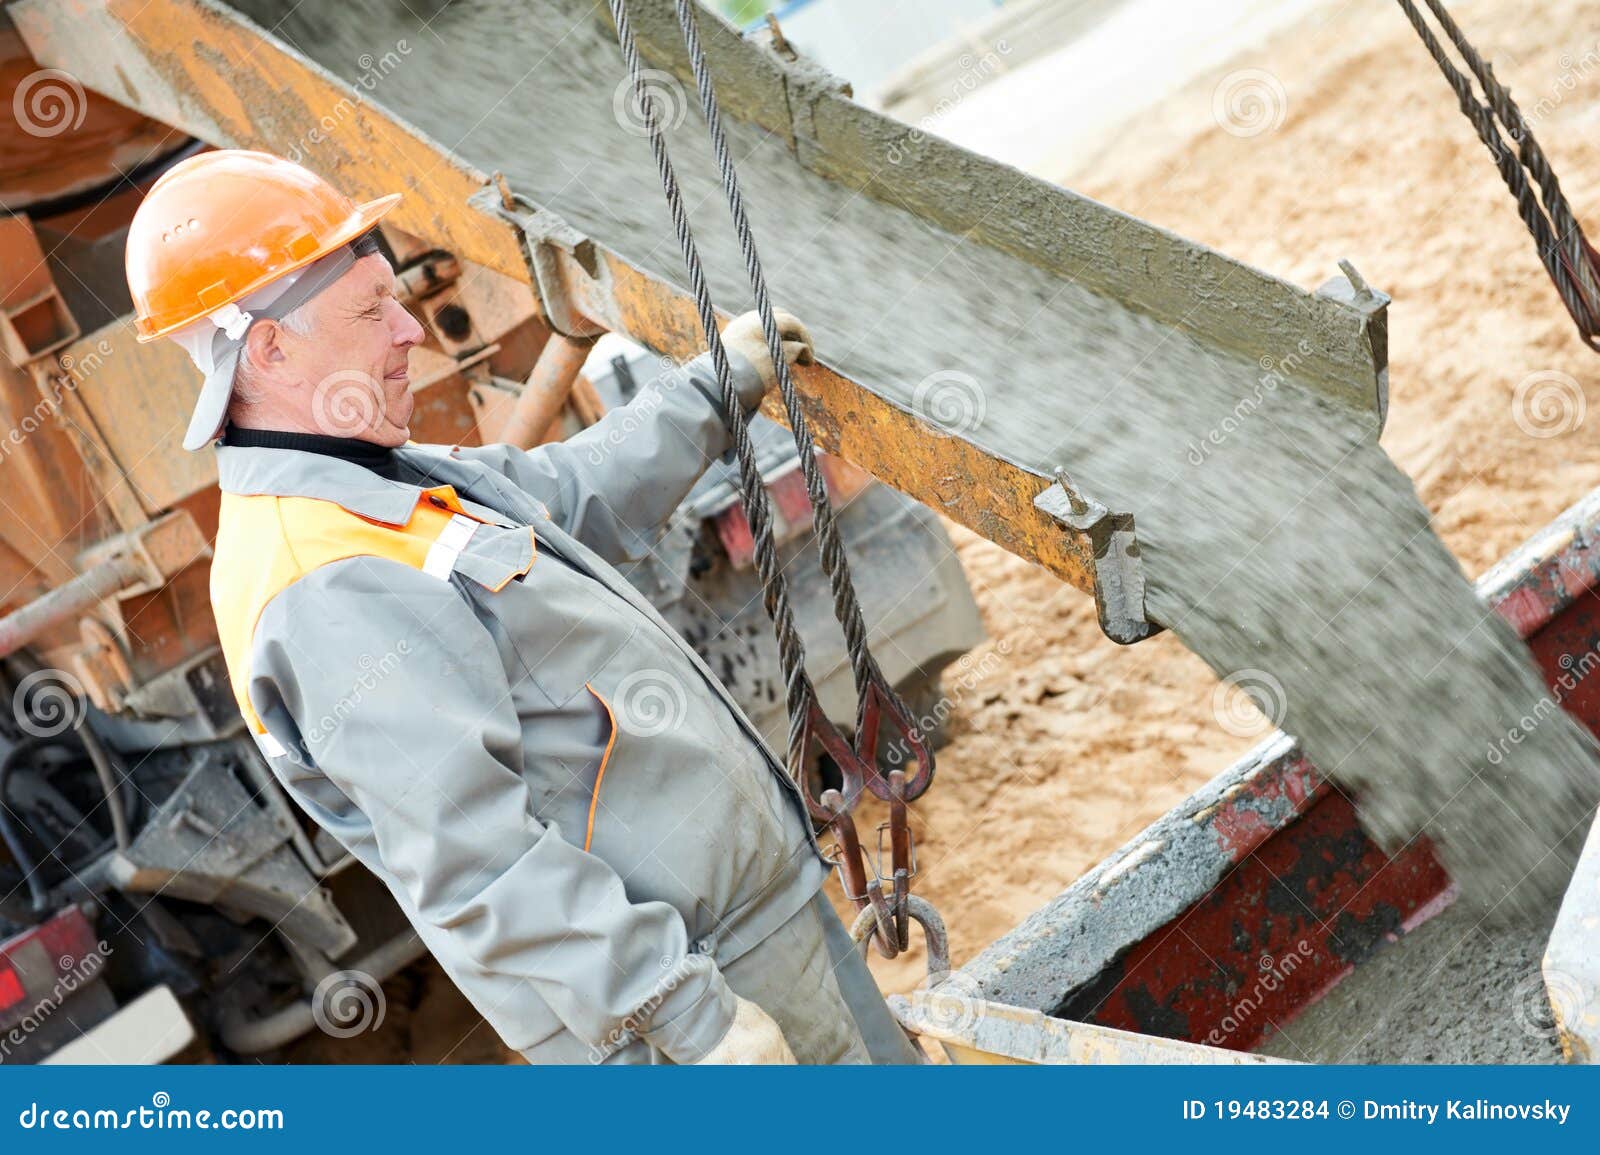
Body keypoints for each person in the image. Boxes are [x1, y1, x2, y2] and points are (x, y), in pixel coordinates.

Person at [124, 149, 917, 1065]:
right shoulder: (324, 579)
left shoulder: (372, 484)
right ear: (269, 346)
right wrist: (686, 1018)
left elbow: (574, 494)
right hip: (687, 994)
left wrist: (718, 383)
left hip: (747, 928)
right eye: (371, 306)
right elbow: (478, 859)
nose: (408, 331)